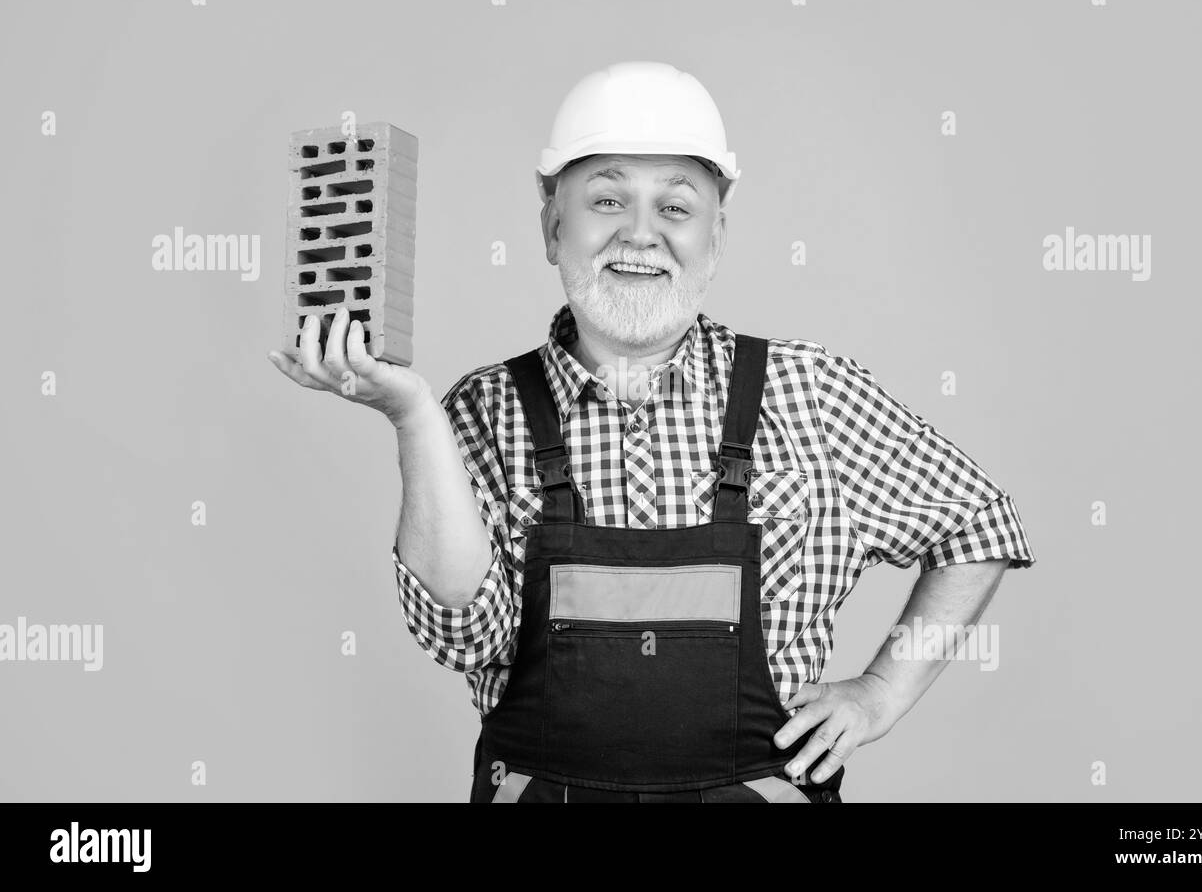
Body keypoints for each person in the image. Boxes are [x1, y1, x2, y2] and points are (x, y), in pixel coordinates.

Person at [268, 61, 1036, 803]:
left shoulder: (811, 393)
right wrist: (412, 416)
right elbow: (463, 639)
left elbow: (977, 523)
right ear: (551, 225)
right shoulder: (479, 409)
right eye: (607, 200)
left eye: (675, 207)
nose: (641, 235)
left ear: (716, 234)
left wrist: (878, 695)